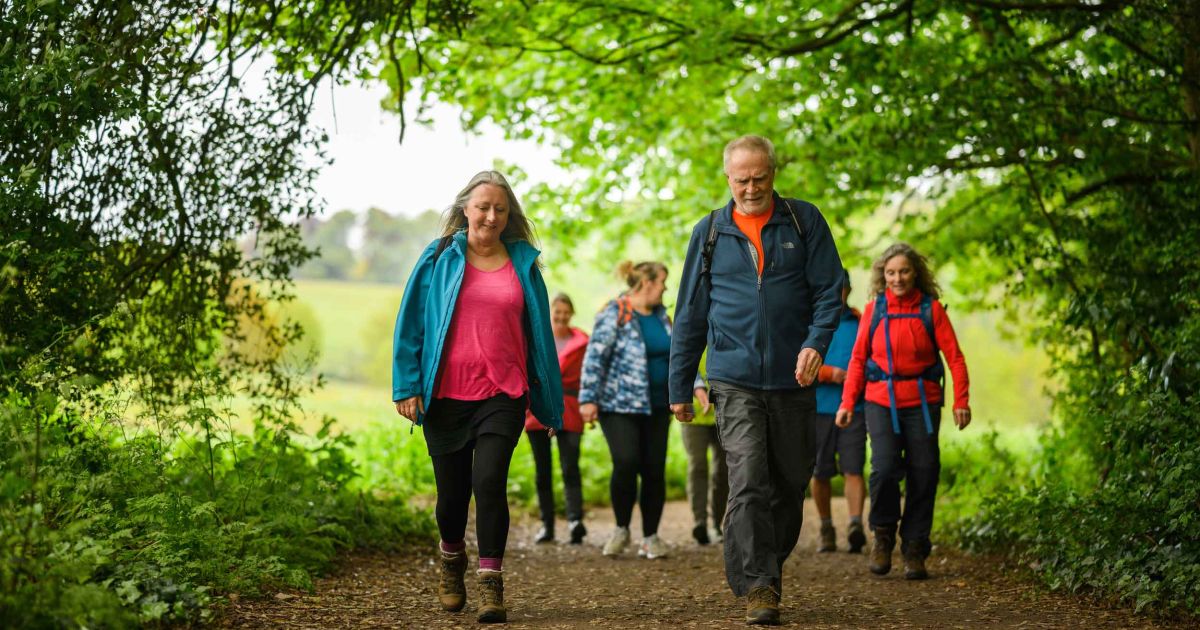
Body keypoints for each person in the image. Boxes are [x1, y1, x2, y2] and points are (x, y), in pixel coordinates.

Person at [670, 135, 844, 625]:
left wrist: (816, 343)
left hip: (794, 378)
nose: (751, 188)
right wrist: (679, 386)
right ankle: (760, 585)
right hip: (734, 377)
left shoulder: (803, 221)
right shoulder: (709, 233)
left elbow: (830, 291)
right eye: (742, 179)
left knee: (790, 483)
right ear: (728, 178)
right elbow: (689, 314)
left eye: (759, 177)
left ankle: (761, 564)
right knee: (746, 479)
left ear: (773, 172)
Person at [391, 170, 564, 624]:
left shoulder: (524, 264)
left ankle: (491, 582)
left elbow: (541, 336)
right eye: (483, 206)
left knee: (489, 481)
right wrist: (406, 385)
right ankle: (452, 560)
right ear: (465, 209)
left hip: (503, 392)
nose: (491, 215)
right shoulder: (438, 258)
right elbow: (411, 323)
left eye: (500, 209)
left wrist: (548, 399)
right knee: (451, 496)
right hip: (445, 394)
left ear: (510, 216)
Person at [836, 242, 970, 581]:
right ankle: (882, 537)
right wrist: (848, 403)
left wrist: (961, 401)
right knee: (884, 469)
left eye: (904, 272)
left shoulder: (932, 310)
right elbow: (857, 359)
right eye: (891, 272)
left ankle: (914, 547)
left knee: (924, 471)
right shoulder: (874, 310)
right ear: (883, 275)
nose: (897, 278)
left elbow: (954, 357)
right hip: (880, 400)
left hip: (923, 403)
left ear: (915, 273)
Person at [579, 260, 700, 560]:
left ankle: (650, 537)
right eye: (662, 283)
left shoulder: (663, 319)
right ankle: (621, 528)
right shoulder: (616, 313)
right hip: (618, 405)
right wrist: (587, 399)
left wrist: (695, 385)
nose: (665, 289)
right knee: (626, 461)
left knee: (653, 469)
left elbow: (679, 356)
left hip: (658, 405)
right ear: (646, 283)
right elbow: (595, 357)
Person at [810, 269, 868, 554]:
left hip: (854, 407)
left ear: (848, 290)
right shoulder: (810, 322)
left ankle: (856, 525)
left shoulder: (859, 323)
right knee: (819, 472)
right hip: (818, 407)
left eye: (841, 289)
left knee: (853, 468)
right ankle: (826, 528)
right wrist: (828, 373)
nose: (837, 295)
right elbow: (794, 363)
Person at [525, 292, 589, 545]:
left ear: (571, 314)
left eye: (566, 313)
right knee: (543, 470)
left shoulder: (582, 342)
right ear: (550, 313)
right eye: (557, 313)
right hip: (537, 408)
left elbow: (589, 376)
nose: (561, 317)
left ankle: (575, 521)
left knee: (570, 465)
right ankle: (547, 525)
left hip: (570, 407)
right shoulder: (536, 339)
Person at [679, 355, 725, 546]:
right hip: (693, 411)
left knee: (723, 470)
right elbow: (682, 359)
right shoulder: (686, 325)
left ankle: (717, 524)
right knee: (697, 466)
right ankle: (700, 522)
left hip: (724, 411)